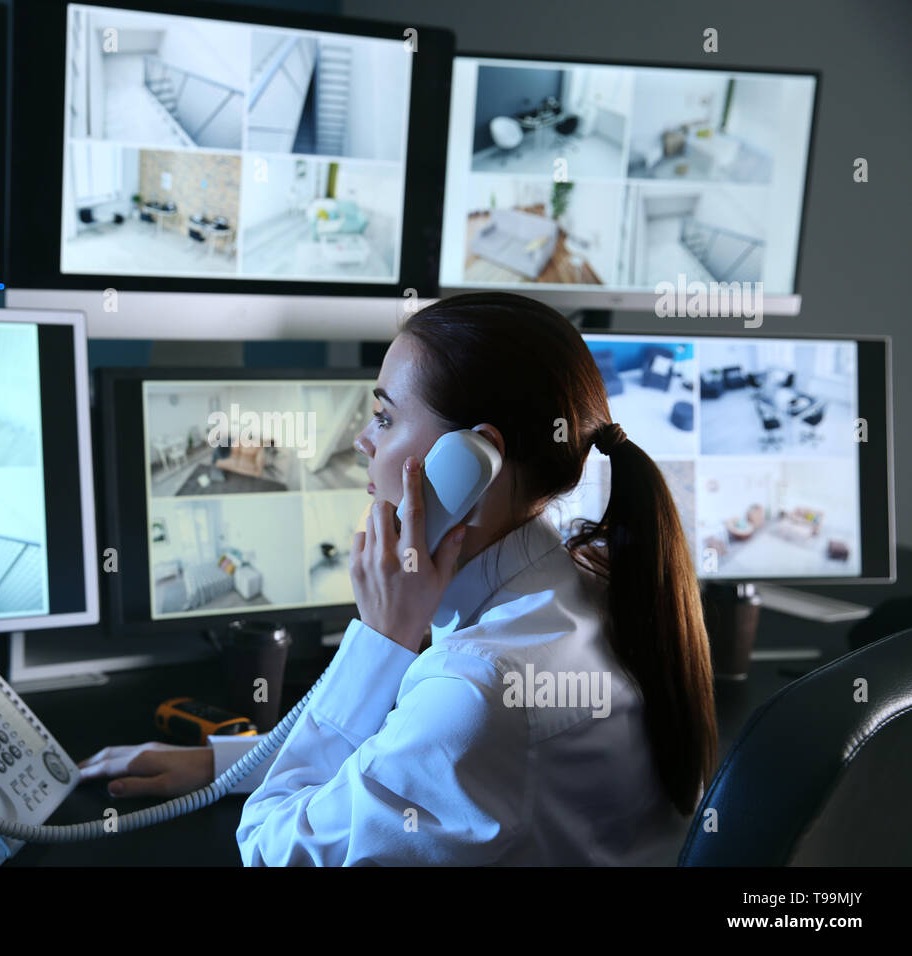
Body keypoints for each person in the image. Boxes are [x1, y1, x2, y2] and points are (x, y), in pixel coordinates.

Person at [79, 291, 717, 865]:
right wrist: (230, 765)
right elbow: (399, 753)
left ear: (470, 461)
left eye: (383, 417)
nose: (361, 440)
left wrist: (379, 639)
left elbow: (271, 848)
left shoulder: (478, 690)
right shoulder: (588, 584)